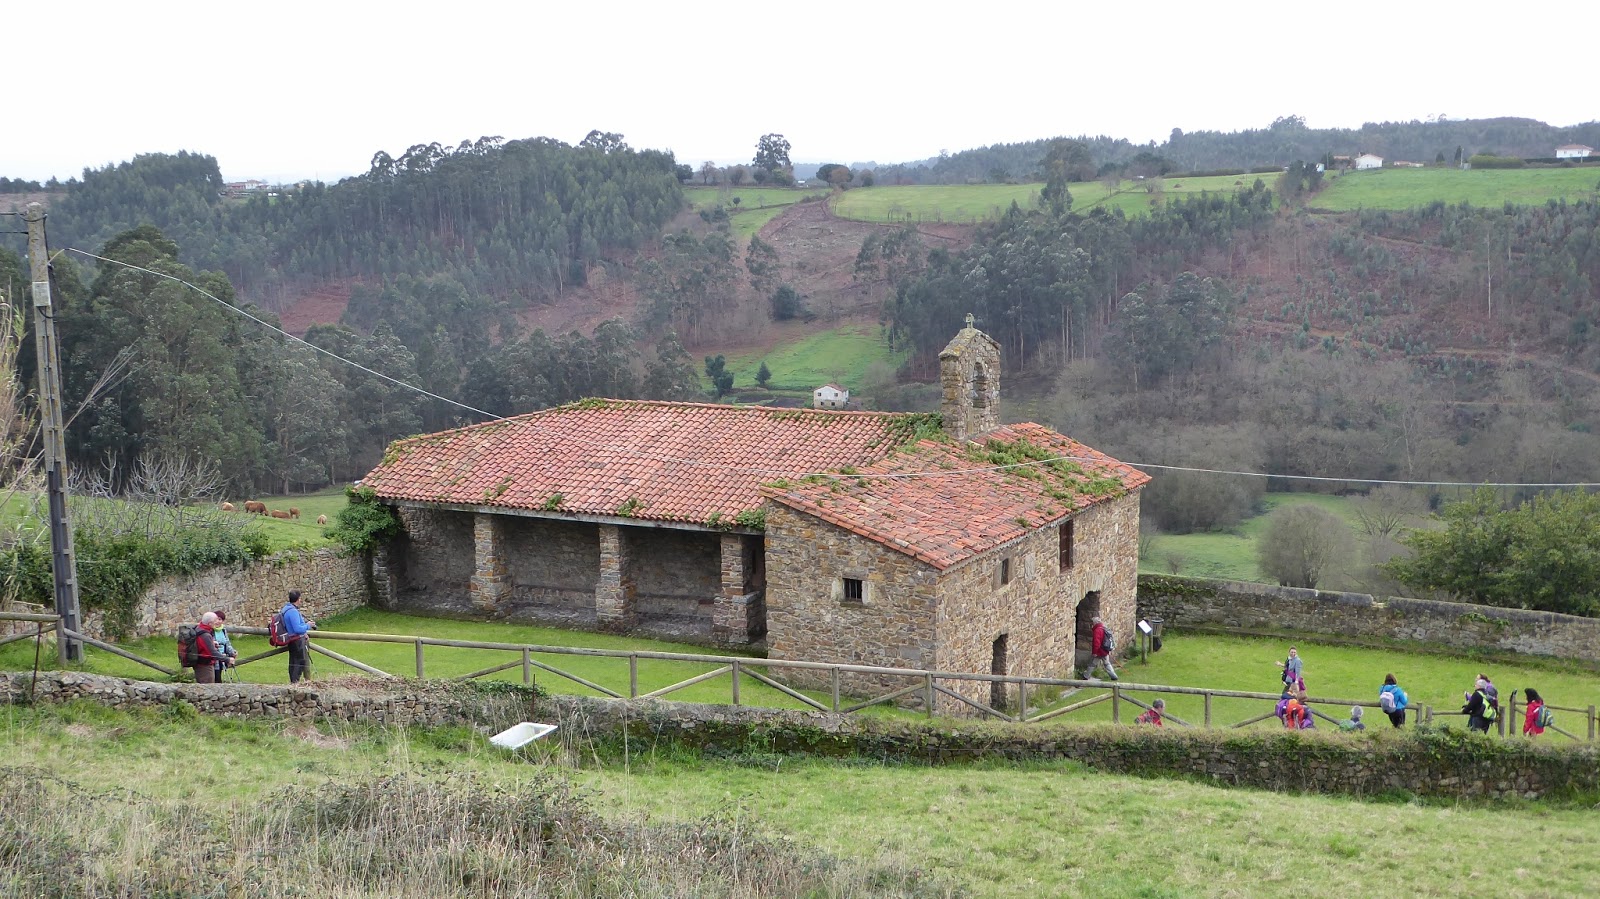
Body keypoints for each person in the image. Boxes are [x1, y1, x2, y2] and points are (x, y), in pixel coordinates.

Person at [280, 589, 316, 684]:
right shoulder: (293, 612)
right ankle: (295, 683)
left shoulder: (286, 609)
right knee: (299, 662)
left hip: (291, 639)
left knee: (294, 661)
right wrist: (308, 625)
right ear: (298, 599)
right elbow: (297, 629)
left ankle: (293, 682)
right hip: (296, 640)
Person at [189, 612, 222, 684]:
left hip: (200, 665)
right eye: (216, 620)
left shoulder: (199, 628)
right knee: (208, 689)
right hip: (205, 666)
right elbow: (213, 653)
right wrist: (228, 659)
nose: (217, 622)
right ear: (210, 623)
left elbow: (203, 645)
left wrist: (212, 643)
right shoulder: (205, 635)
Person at [1084, 616, 1118, 681]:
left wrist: (1095, 652)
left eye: (1092, 623)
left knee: (1092, 664)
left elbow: (1096, 643)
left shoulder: (1097, 630)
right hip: (1105, 650)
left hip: (1099, 651)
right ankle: (1113, 676)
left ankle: (1086, 676)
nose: (1092, 624)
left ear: (1095, 623)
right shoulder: (1103, 628)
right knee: (1107, 664)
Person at [211, 610, 238, 682]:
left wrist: (233, 652)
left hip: (223, 658)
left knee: (219, 675)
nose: (217, 621)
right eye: (216, 619)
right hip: (214, 658)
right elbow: (210, 645)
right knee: (216, 678)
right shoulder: (210, 630)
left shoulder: (223, 630)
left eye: (220, 619)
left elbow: (227, 643)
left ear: (222, 621)